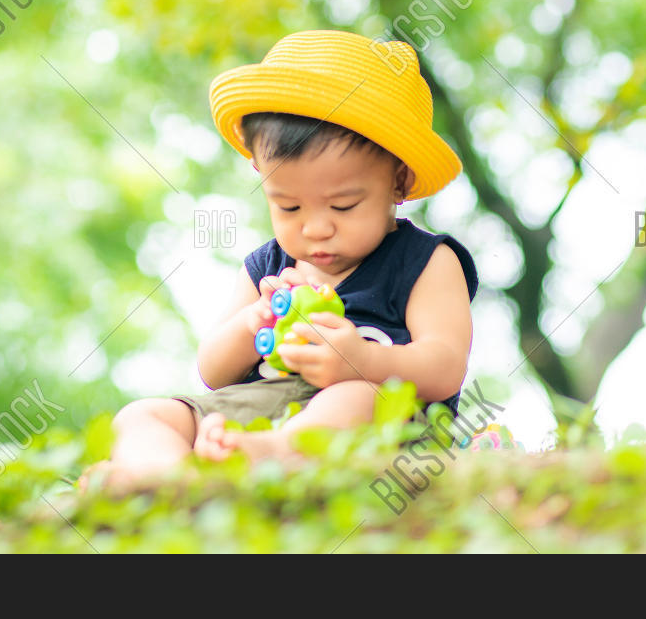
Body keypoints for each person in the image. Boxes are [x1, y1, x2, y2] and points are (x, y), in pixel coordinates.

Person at [97, 30, 478, 488]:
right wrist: (251, 323)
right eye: (289, 207)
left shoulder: (425, 260)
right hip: (258, 410)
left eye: (343, 206)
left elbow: (445, 366)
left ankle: (272, 457)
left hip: (371, 418)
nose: (316, 228)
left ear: (398, 181)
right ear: (262, 176)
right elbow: (214, 372)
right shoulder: (265, 268)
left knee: (358, 397)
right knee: (145, 415)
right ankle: (162, 479)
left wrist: (363, 361)